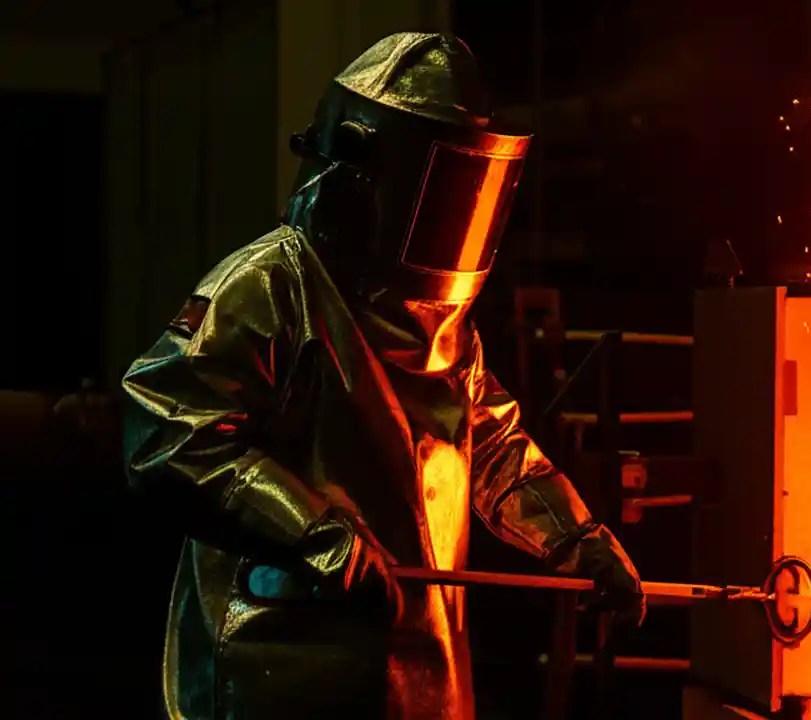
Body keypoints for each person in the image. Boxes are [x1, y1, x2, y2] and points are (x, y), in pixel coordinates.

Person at [121, 32, 644, 720]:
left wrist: (577, 541)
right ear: (364, 174)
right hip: (280, 674)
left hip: (419, 671)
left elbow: (491, 445)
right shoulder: (272, 286)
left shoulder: (441, 322)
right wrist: (309, 530)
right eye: (440, 183)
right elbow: (166, 432)